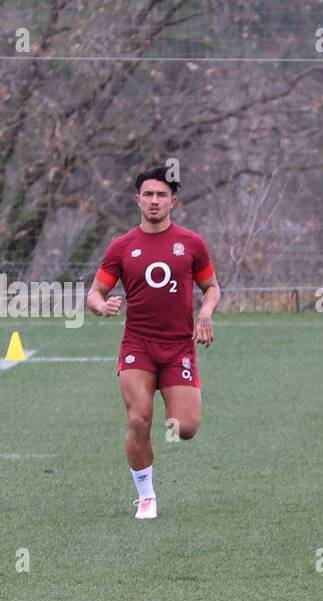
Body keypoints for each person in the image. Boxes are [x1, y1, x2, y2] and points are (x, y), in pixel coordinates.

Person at [86, 166, 220, 519]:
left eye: (162, 195)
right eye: (148, 194)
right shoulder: (122, 246)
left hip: (178, 348)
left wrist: (205, 313)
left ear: (173, 201)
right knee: (138, 420)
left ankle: (173, 402)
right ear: (138, 200)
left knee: (185, 428)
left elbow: (211, 288)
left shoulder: (191, 243)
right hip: (138, 345)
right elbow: (95, 293)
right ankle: (146, 497)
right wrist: (102, 306)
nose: (154, 200)